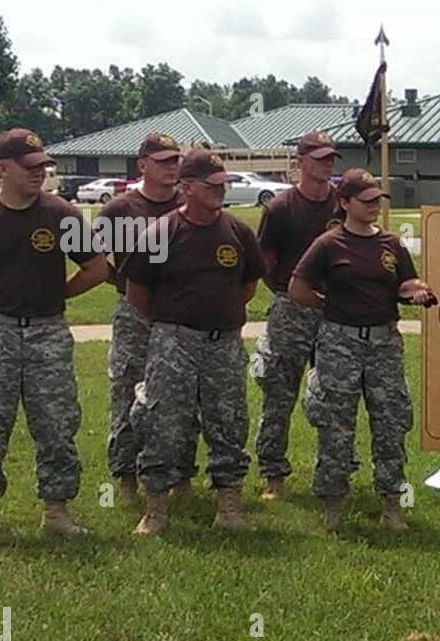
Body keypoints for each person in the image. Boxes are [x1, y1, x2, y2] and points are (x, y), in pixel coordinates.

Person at [0, 128, 109, 539]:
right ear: (2, 168)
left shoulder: (61, 213)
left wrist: (56, 294)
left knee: (56, 422)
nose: (39, 174)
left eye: (43, 167)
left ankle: (57, 511)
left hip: (48, 331)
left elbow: (96, 268)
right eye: (29, 168)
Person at [289, 168, 435, 532]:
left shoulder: (390, 245)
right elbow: (297, 288)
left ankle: (392, 504)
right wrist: (333, 306)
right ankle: (333, 503)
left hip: (383, 342)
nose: (373, 207)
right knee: (335, 423)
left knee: (391, 421)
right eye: (366, 201)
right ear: (344, 203)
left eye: (377, 201)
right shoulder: (328, 244)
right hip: (339, 342)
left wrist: (416, 291)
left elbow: (406, 281)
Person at [128, 149, 266, 534]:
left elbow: (249, 284)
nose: (221, 191)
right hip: (173, 342)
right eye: (212, 185)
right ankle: (155, 508)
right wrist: (175, 322)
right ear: (187, 187)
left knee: (228, 421)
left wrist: (217, 316)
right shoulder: (161, 233)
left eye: (224, 185)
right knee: (163, 421)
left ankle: (230, 505)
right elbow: (137, 291)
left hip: (223, 342)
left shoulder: (238, 232)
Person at [99, 133, 195, 506]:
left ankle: (180, 476)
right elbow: (88, 256)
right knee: (126, 389)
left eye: (176, 161)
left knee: (183, 395)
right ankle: (126, 478)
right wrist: (122, 281)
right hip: (134, 314)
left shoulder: (190, 206)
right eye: (163, 161)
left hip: (180, 313)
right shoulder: (121, 209)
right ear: (143, 165)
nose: (172, 167)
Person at [253, 130, 342, 501]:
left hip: (336, 309)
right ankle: (273, 474)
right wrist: (291, 293)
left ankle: (337, 471)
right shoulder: (280, 208)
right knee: (279, 392)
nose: (326, 164)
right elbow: (264, 264)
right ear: (300, 162)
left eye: (330, 158)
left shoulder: (343, 203)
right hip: (291, 311)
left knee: (336, 393)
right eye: (318, 157)